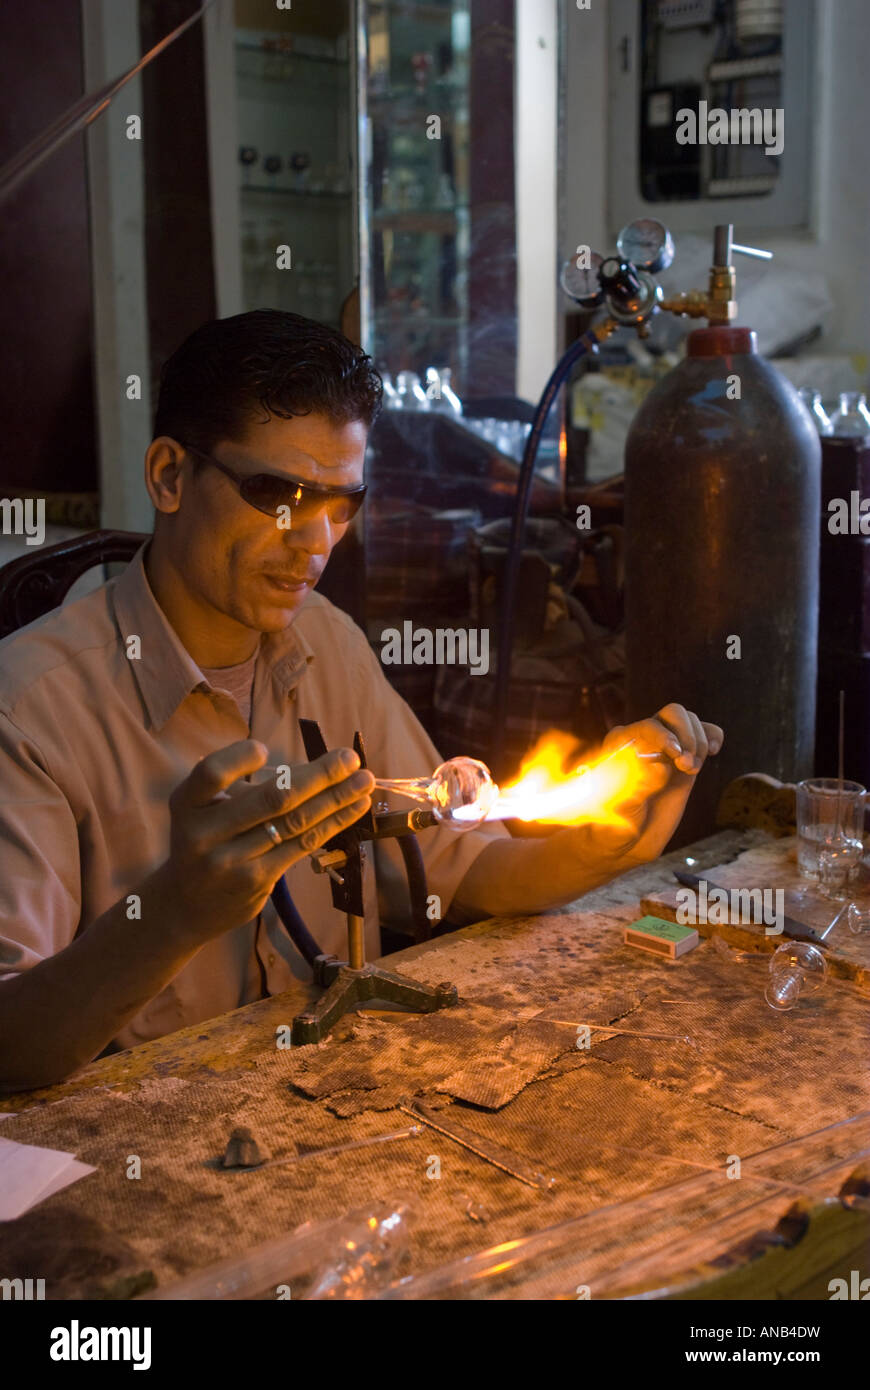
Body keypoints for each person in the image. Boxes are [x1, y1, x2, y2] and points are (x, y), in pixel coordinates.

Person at [0, 311, 722, 1090]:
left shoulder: (324, 642)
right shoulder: (33, 709)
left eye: (342, 503)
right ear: (170, 476)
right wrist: (174, 913)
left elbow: (463, 866)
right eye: (277, 494)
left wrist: (607, 841)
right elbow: (10, 1047)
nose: (314, 543)